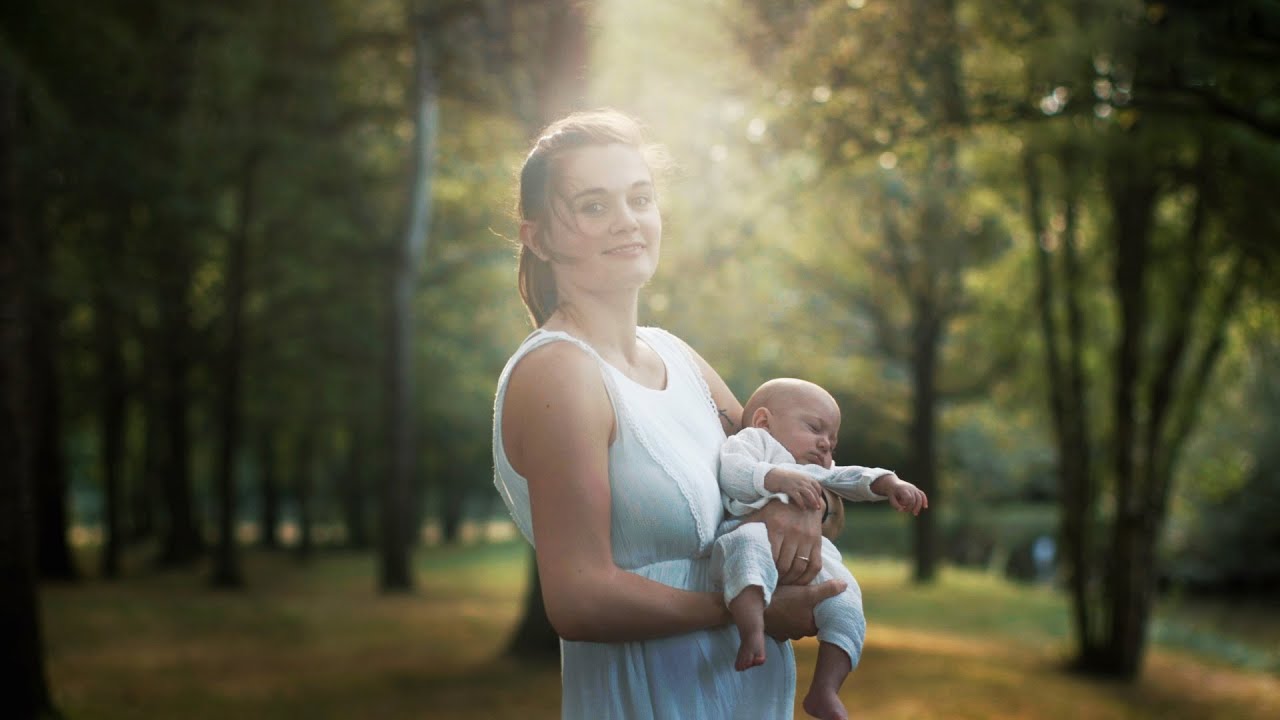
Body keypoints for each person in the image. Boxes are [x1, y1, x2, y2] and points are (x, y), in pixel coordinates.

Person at [492, 109, 847, 719]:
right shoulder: (560, 374)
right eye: (594, 205)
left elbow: (816, 490)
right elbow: (577, 600)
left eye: (640, 198)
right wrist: (744, 608)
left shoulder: (679, 357)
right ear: (538, 237)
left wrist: (794, 505)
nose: (628, 221)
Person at [712, 378, 928, 720]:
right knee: (746, 546)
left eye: (832, 441)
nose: (825, 444)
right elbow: (733, 473)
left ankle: (825, 688)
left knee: (846, 596)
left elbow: (850, 477)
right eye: (815, 428)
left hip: (812, 557)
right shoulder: (755, 443)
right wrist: (777, 478)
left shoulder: (816, 467)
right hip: (749, 531)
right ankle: (752, 629)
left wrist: (889, 483)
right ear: (764, 422)